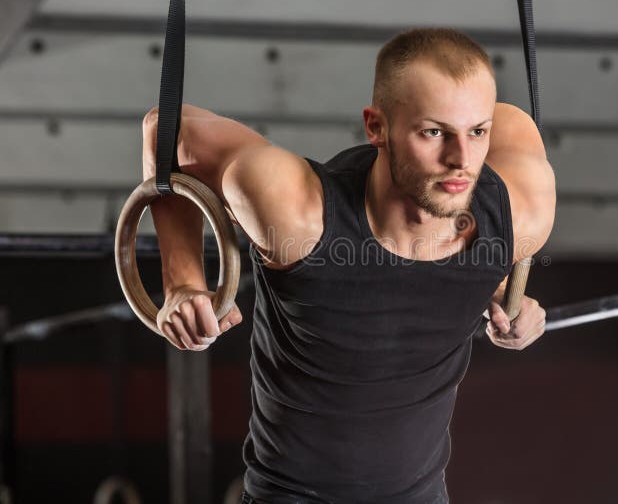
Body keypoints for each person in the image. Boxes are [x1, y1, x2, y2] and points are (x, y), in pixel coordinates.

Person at [141, 27, 556, 503]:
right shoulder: (295, 214)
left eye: (476, 132)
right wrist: (183, 281)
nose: (460, 160)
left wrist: (499, 284)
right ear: (376, 127)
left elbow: (510, 122)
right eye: (434, 132)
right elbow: (166, 129)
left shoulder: (520, 213)